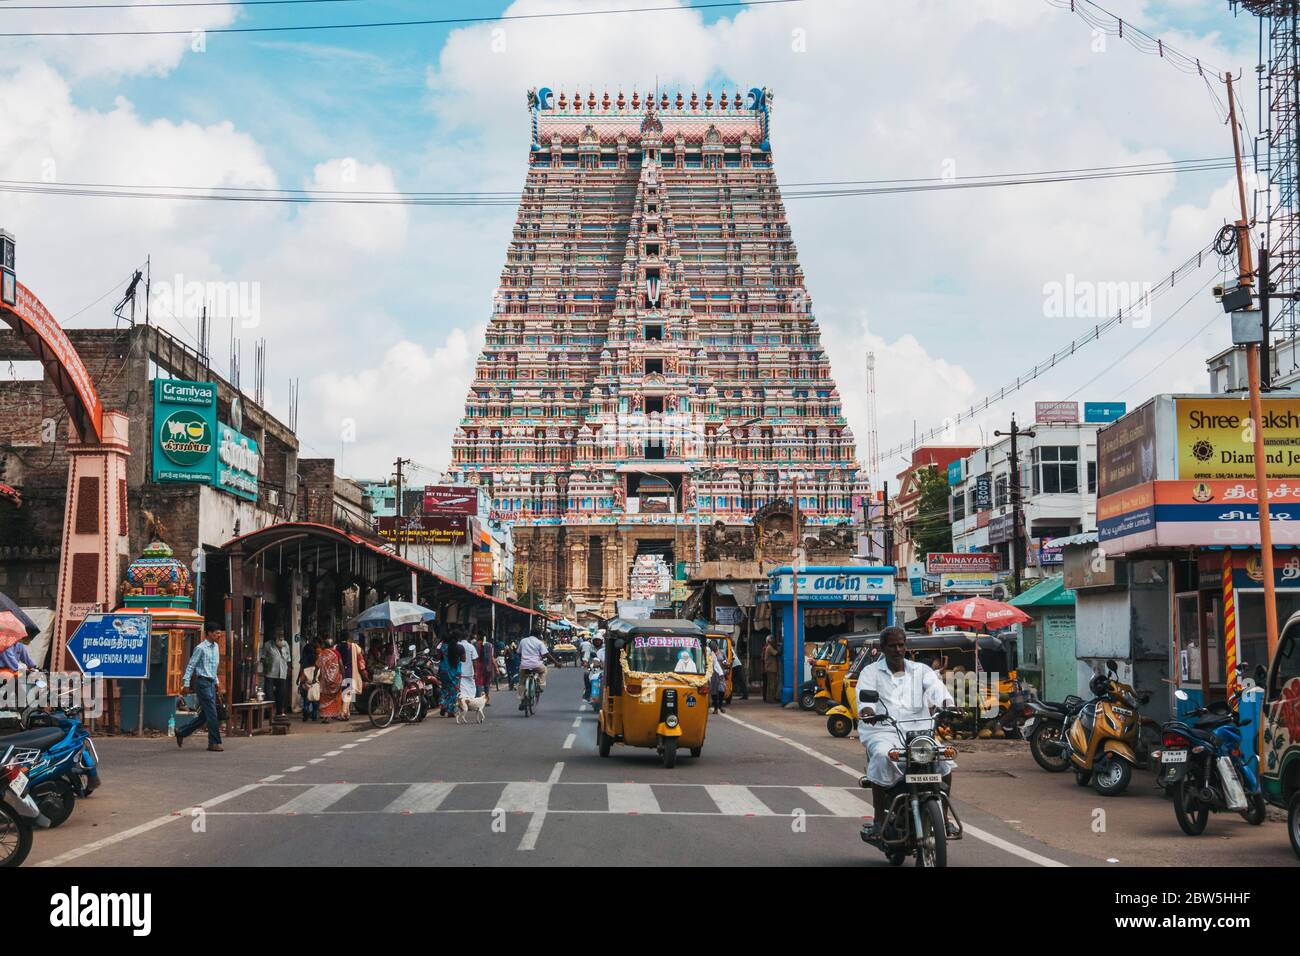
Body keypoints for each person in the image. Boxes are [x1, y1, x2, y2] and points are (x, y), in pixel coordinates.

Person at [856, 626, 957, 840]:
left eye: (901, 645)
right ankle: (878, 821)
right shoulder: (870, 672)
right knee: (883, 756)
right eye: (892, 646)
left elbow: (937, 690)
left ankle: (945, 819)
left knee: (945, 756)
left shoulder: (921, 670)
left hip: (918, 732)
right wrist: (868, 712)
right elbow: (865, 701)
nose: (897, 649)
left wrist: (949, 705)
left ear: (906, 646)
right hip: (883, 731)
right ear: (883, 648)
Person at [175, 630, 224, 752]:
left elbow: (213, 667)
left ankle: (182, 731)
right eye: (216, 633)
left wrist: (217, 682)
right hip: (202, 683)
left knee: (205, 716)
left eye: (219, 633)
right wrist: (186, 684)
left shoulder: (216, 647)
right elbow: (191, 665)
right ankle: (214, 742)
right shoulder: (200, 648)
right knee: (212, 713)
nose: (219, 636)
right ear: (209, 633)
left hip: (211, 682)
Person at [516, 631, 556, 709]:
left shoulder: (523, 641)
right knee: (544, 670)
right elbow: (546, 654)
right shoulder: (539, 642)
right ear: (538, 635)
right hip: (536, 665)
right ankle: (540, 686)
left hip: (524, 665)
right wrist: (556, 663)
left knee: (521, 682)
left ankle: (522, 699)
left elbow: (518, 652)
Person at [261, 631, 291, 717]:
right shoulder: (268, 645)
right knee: (269, 693)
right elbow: (263, 658)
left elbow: (288, 659)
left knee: (281, 693)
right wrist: (266, 665)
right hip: (270, 673)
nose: (281, 638)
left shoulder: (286, 644)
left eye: (282, 636)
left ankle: (279, 711)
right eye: (279, 636)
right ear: (275, 637)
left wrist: (288, 670)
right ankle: (268, 712)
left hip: (282, 673)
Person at [339, 633, 367, 720]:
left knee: (342, 692)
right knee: (348, 693)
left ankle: (346, 713)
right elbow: (362, 652)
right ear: (348, 638)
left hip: (339, 672)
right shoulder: (354, 646)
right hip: (349, 672)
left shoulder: (336, 646)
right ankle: (344, 713)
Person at [316, 637, 344, 720]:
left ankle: (325, 717)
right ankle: (336, 714)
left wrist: (314, 677)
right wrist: (344, 675)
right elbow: (341, 665)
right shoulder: (336, 653)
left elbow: (317, 666)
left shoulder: (322, 654)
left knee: (324, 698)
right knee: (337, 697)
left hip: (324, 681)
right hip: (336, 680)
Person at [437, 635, 463, 717]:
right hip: (454, 672)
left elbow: (439, 657)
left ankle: (443, 705)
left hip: (444, 670)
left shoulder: (442, 647)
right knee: (453, 691)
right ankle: (451, 711)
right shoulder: (459, 647)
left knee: (444, 689)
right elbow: (464, 659)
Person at [299, 653, 321, 722]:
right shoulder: (318, 669)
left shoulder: (305, 670)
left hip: (307, 688)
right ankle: (314, 717)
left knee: (306, 702)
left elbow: (302, 680)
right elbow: (320, 678)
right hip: (316, 687)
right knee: (315, 704)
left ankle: (306, 713)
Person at [710, 644, 729, 715]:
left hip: (721, 674)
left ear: (717, 647)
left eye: (715, 648)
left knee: (722, 690)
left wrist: (726, 664)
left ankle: (720, 706)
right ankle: (715, 708)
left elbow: (725, 661)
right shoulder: (710, 654)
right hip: (713, 675)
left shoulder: (722, 653)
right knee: (714, 691)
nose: (715, 650)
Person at [762, 636, 781, 703]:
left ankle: (769, 698)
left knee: (771, 684)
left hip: (771, 668)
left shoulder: (769, 647)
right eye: (773, 641)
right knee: (772, 685)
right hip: (771, 669)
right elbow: (776, 653)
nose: (774, 642)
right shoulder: (769, 647)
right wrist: (780, 648)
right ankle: (771, 699)